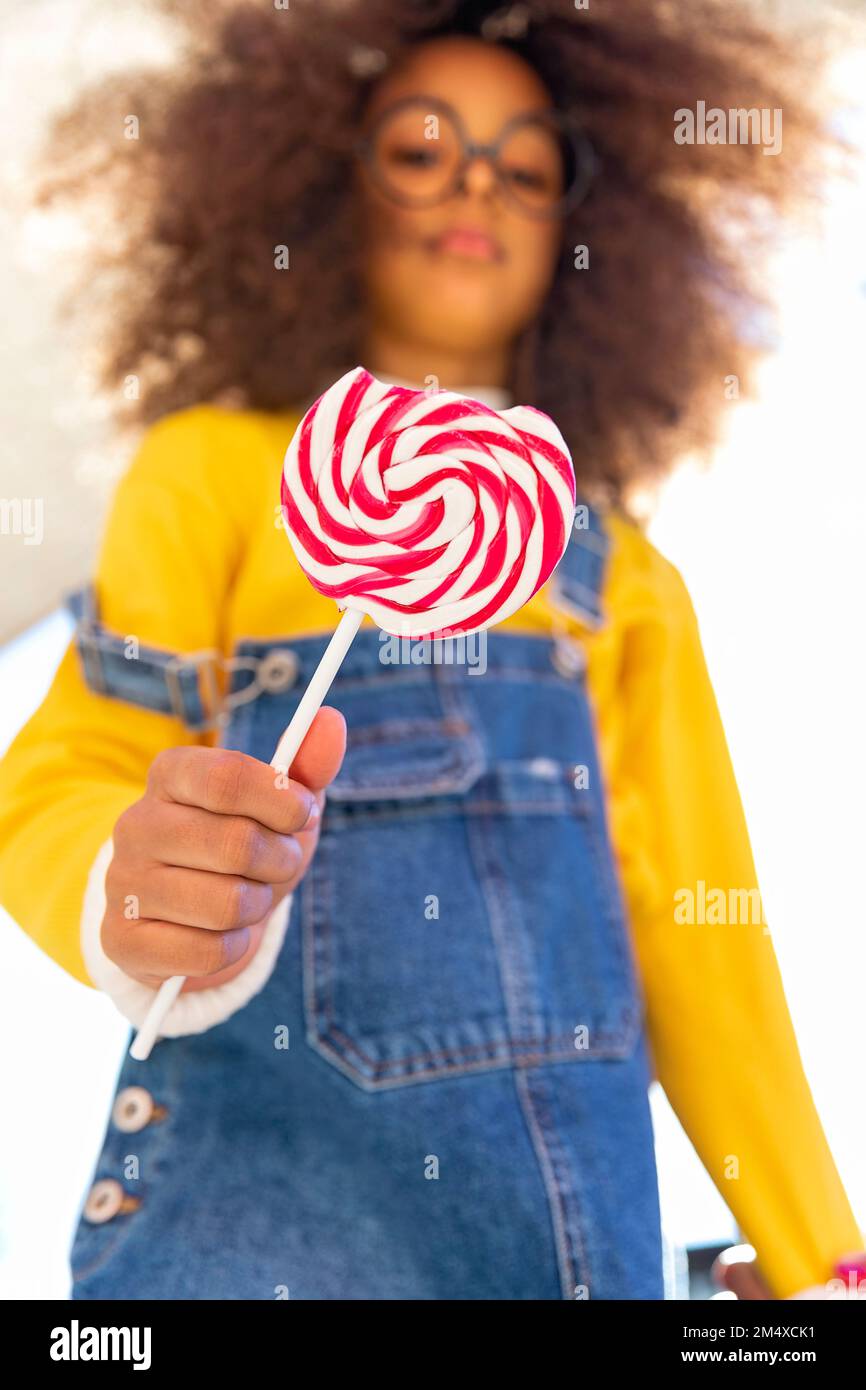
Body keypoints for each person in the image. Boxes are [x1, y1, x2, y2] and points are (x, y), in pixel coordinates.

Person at [0, 0, 861, 1299]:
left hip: (568, 1234)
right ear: (327, 188)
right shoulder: (213, 471)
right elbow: (72, 769)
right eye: (420, 147)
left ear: (583, 232)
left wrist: (818, 1262)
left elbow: (703, 935)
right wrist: (129, 899)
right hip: (253, 1219)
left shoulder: (616, 570)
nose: (474, 183)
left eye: (522, 165)